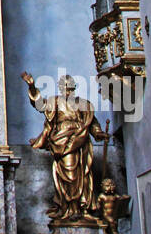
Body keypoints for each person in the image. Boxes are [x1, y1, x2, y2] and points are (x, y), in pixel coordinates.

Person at [22, 71, 109, 224]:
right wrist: (32, 86)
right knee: (69, 174)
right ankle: (69, 208)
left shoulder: (83, 104)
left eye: (70, 87)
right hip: (61, 140)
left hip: (79, 138)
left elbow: (92, 123)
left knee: (81, 175)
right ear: (60, 88)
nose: (67, 90)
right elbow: (39, 104)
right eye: (64, 87)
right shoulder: (54, 101)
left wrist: (99, 133)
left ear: (74, 87)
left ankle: (79, 210)